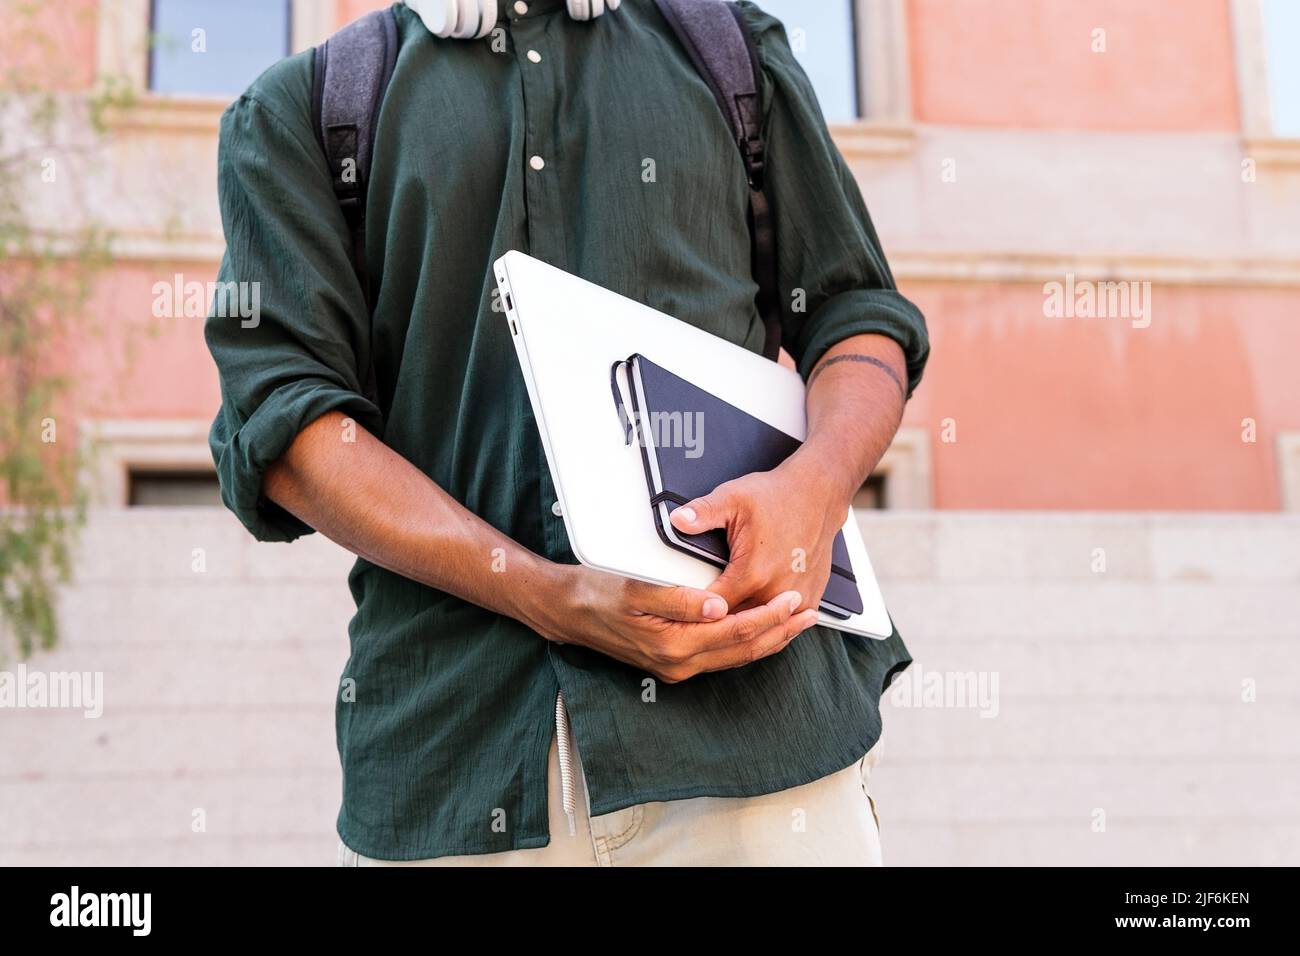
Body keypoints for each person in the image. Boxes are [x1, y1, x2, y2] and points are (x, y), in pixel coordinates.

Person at [205, 0, 929, 866]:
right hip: (453, 770)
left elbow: (856, 315)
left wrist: (811, 491)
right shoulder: (305, 108)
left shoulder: (732, 49)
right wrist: (547, 594)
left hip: (764, 755)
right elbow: (285, 422)